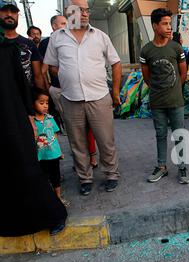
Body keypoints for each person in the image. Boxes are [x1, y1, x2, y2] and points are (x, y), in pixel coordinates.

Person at [44, 0, 122, 196]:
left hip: (99, 97)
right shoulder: (57, 38)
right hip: (70, 99)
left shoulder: (100, 36)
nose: (86, 14)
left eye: (87, 10)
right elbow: (51, 66)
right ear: (69, 12)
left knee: (106, 140)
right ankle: (85, 178)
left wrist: (114, 92)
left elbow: (116, 62)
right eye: (80, 10)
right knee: (77, 143)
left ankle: (111, 174)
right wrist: (67, 77)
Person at [0, 22, 67, 237]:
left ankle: (51, 215)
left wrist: (29, 115)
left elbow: (22, 84)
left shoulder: (7, 49)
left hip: (12, 117)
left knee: (25, 165)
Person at [140, 8, 189, 184]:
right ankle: (162, 167)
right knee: (160, 134)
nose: (169, 27)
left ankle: (182, 167)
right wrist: (160, 90)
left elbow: (184, 73)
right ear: (155, 26)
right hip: (157, 102)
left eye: (170, 23)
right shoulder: (146, 51)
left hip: (176, 101)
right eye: (165, 24)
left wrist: (174, 89)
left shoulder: (176, 48)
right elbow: (147, 77)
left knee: (179, 134)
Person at [32, 88, 70, 207]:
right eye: (41, 103)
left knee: (56, 176)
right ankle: (48, 199)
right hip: (41, 156)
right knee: (44, 177)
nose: (45, 106)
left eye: (47, 103)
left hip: (53, 154)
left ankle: (58, 198)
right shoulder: (32, 121)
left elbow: (54, 136)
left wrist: (59, 151)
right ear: (33, 103)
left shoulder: (50, 119)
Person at [0, 0, 45, 89]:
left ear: (17, 15)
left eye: (13, 11)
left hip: (26, 98)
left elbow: (38, 76)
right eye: (4, 11)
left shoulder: (29, 45)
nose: (9, 14)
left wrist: (41, 95)